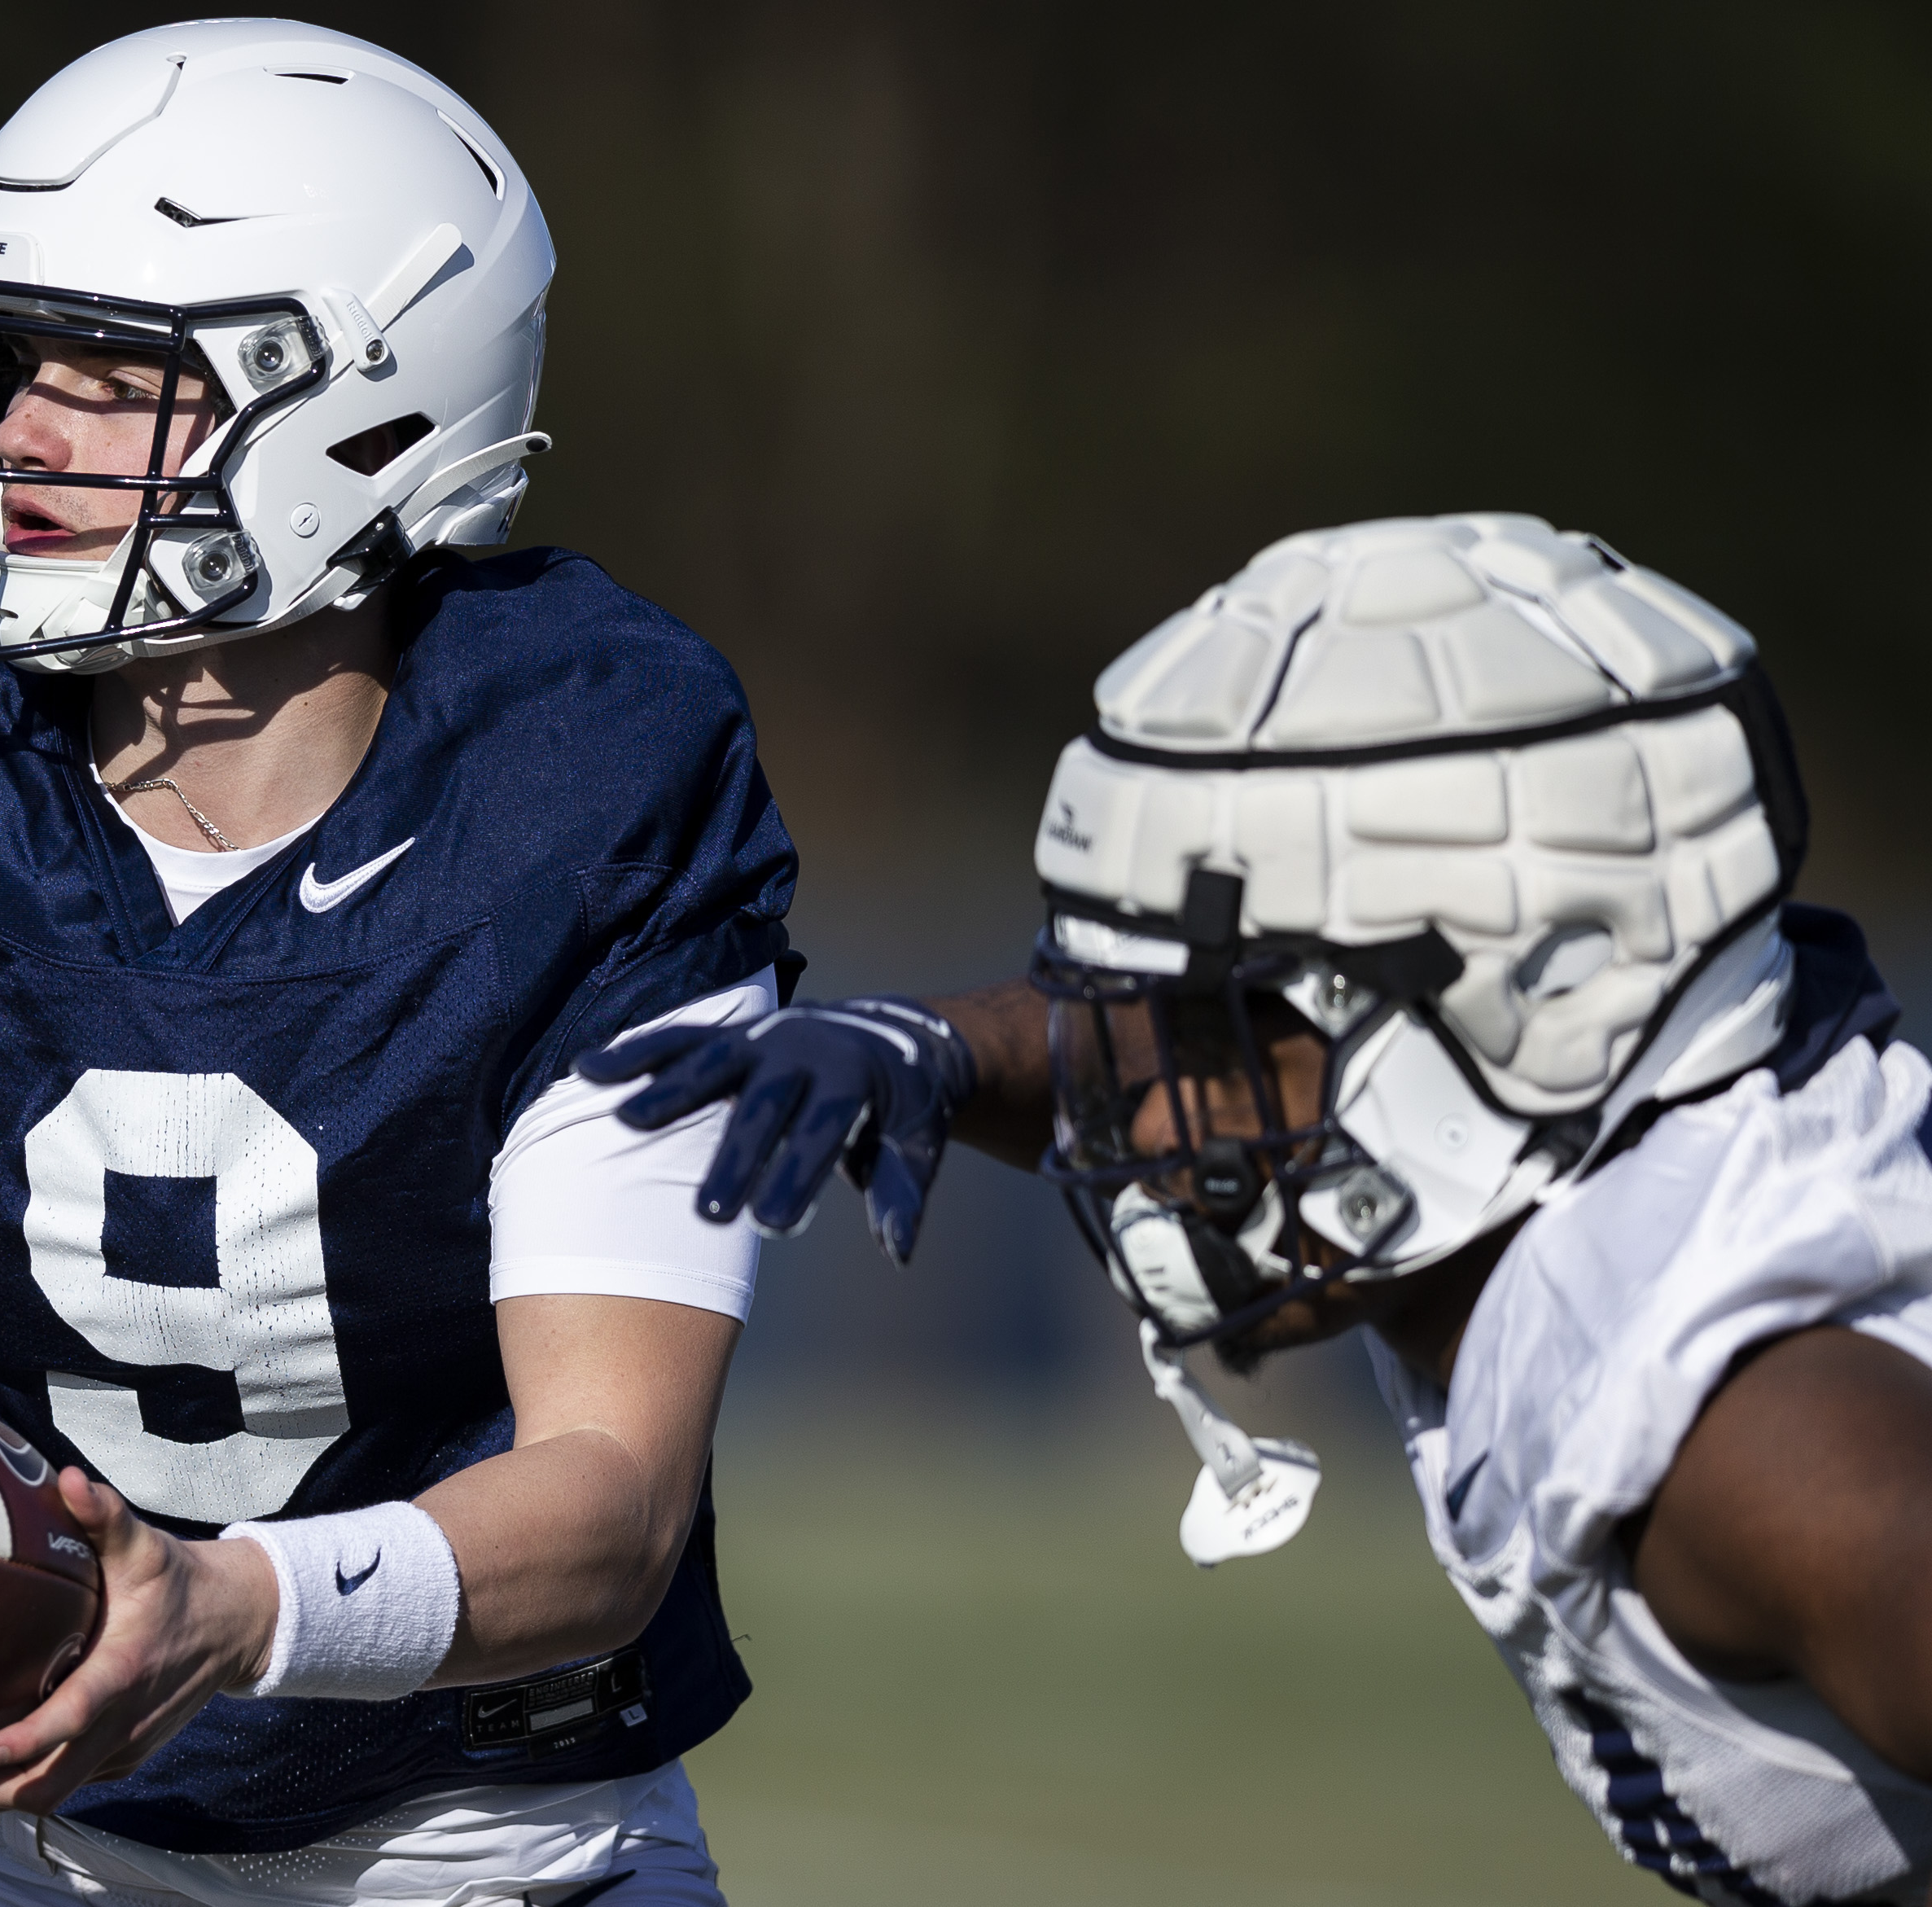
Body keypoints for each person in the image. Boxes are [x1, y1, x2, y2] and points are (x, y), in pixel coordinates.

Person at [0, 24, 795, 1907]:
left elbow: (609, 1501)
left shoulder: (586, 785)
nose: (21, 437)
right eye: (13, 367)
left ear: (371, 418)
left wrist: (233, 1610)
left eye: (117, 377)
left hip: (488, 1842)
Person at [587, 513, 1932, 1905]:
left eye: (1220, 1039)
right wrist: (928, 1046)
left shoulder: (1742, 1432)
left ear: (1537, 999)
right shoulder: (1600, 1164)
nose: (1150, 1120)